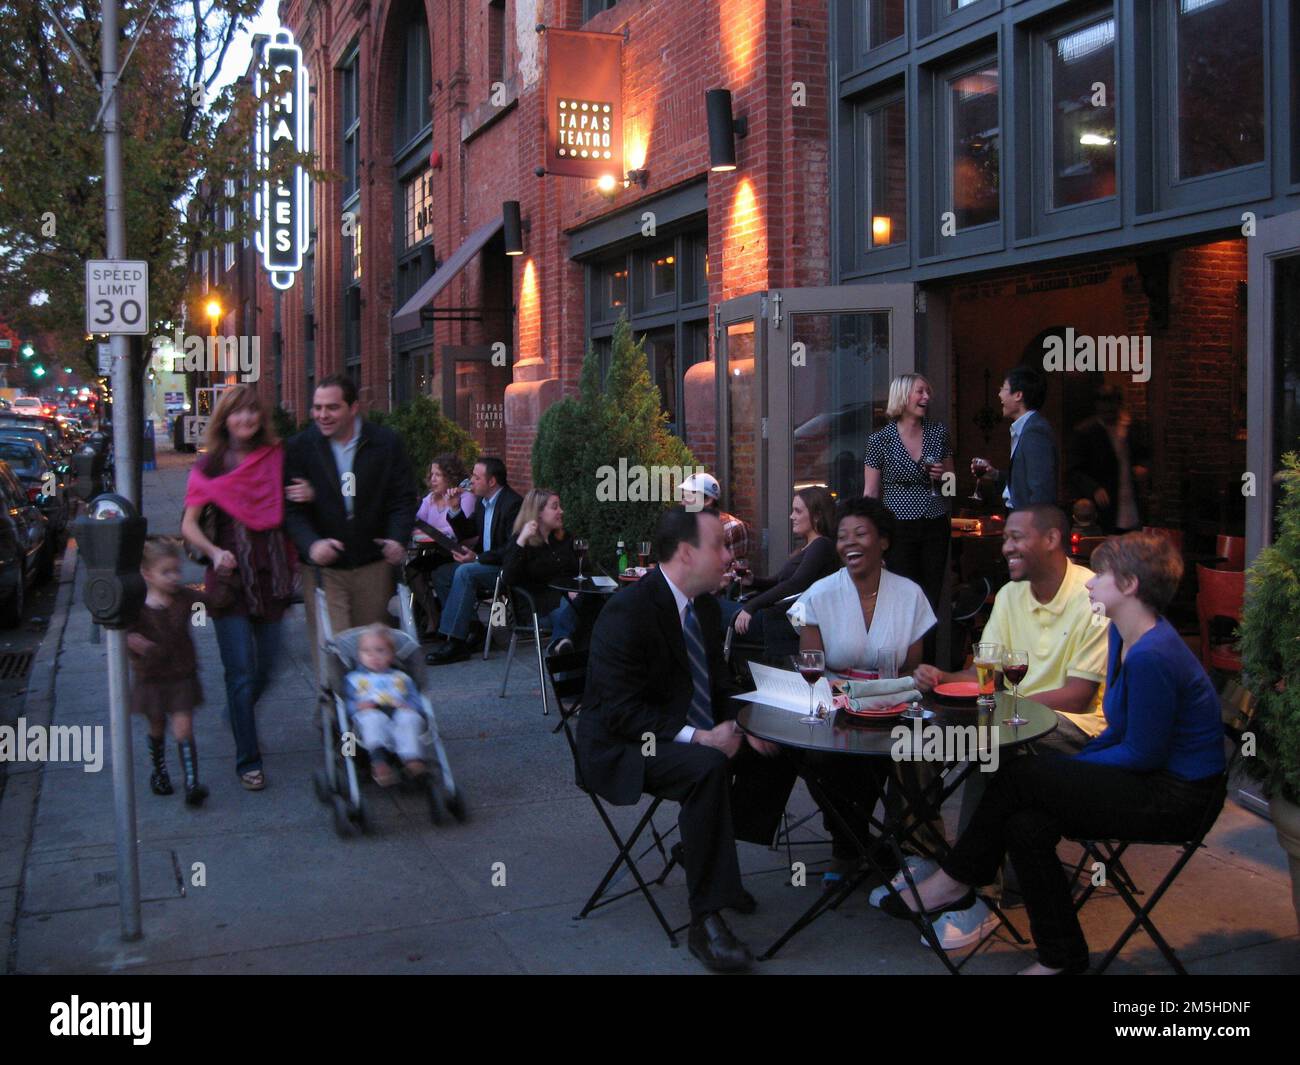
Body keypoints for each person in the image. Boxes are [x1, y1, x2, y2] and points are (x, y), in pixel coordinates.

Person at [881, 531, 1226, 974]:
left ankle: (954, 880)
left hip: (1180, 797)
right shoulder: (1124, 639)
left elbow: (1142, 753)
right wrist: (1065, 777)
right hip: (1146, 780)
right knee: (1026, 823)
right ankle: (1061, 960)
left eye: (1100, 575)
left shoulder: (1154, 654)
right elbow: (1119, 733)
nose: (1089, 583)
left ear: (1129, 585)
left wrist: (1066, 772)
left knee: (1025, 776)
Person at [576, 506, 792, 973]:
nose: (729, 558)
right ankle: (706, 920)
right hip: (625, 743)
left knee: (775, 745)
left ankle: (707, 852)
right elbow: (620, 711)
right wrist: (702, 736)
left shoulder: (707, 608)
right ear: (688, 553)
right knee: (707, 767)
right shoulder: (628, 610)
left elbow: (721, 685)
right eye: (720, 546)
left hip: (674, 728)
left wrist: (746, 724)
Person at [787, 496, 938, 887]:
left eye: (860, 533)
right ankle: (850, 844)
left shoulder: (910, 594)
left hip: (894, 707)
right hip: (838, 707)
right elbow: (811, 667)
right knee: (821, 762)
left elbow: (910, 667)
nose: (849, 542)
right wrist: (836, 687)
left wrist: (920, 676)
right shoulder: (819, 594)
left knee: (916, 752)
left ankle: (904, 847)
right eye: (841, 536)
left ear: (883, 541)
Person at [915, 504, 1108, 754]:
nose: (1006, 548)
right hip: (1014, 714)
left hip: (1074, 722)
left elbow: (1078, 697)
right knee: (921, 729)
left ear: (1051, 539)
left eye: (1016, 538)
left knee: (987, 739)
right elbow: (984, 678)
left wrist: (1003, 708)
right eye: (1005, 539)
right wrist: (941, 678)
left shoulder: (1093, 596)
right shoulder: (1008, 595)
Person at [183, 384, 299, 792]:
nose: (246, 419)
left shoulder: (276, 456)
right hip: (230, 580)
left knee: (267, 667)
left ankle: (238, 714)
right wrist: (213, 553)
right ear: (225, 418)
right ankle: (248, 760)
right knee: (240, 674)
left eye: (252, 412)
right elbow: (189, 525)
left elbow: (294, 503)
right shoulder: (210, 465)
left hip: (272, 575)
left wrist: (306, 493)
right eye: (238, 412)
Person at [283, 374, 418, 675]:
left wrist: (397, 538)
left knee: (376, 652)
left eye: (332, 407)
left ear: (353, 407)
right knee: (333, 654)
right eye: (317, 408)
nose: (322, 415)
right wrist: (311, 544)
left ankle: (374, 714)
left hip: (373, 562)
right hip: (325, 569)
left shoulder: (385, 443)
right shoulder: (301, 447)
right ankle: (335, 716)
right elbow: (291, 510)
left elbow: (403, 498)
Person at [126, 538, 210, 806]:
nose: (174, 577)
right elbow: (121, 629)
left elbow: (212, 602)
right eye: (166, 572)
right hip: (151, 677)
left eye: (177, 570)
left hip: (181, 674)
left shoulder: (184, 598)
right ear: (147, 573)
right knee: (157, 724)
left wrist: (226, 577)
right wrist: (133, 641)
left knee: (183, 727)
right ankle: (160, 772)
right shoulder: (136, 604)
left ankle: (191, 782)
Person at [864, 373, 954, 616]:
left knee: (930, 598)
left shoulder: (938, 433)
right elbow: (871, 492)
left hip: (934, 525)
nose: (926, 397)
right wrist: (873, 538)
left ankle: (928, 653)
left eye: (928, 392)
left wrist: (943, 474)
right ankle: (905, 654)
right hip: (898, 527)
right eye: (920, 391)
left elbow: (951, 486)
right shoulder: (880, 440)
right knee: (902, 596)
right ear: (903, 397)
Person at [426, 457, 523, 665]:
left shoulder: (512, 504)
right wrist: (454, 509)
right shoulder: (482, 502)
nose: (471, 481)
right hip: (485, 563)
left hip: (504, 568)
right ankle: (472, 628)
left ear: (492, 481)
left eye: (477, 477)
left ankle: (455, 642)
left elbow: (512, 548)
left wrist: (477, 557)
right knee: (441, 574)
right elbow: (469, 531)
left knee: (465, 572)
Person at [728, 486, 840, 659]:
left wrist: (752, 606)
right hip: (777, 616)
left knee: (706, 609)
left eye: (797, 511)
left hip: (784, 622)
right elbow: (780, 581)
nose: (791, 516)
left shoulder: (821, 545)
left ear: (817, 515)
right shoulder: (809, 547)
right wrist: (753, 581)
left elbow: (796, 584)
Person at [501, 488, 601, 656]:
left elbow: (585, 571)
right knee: (580, 618)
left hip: (570, 602)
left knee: (597, 606)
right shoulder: (521, 542)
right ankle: (565, 653)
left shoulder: (566, 538)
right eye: (555, 507)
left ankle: (562, 645)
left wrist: (576, 589)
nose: (561, 511)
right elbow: (507, 578)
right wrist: (522, 540)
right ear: (538, 513)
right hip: (538, 608)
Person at [345, 624, 427, 787]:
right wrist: (359, 706)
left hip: (398, 711)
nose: (373, 656)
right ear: (359, 655)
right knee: (372, 720)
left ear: (391, 654)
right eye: (367, 652)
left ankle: (412, 759)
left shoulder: (401, 677)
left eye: (380, 651)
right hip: (370, 711)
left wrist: (409, 706)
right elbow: (347, 703)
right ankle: (379, 762)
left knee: (410, 719)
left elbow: (415, 699)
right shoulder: (354, 678)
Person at [971, 365, 1059, 511]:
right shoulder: (1025, 428)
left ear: (1018, 395)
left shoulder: (1035, 431)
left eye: (1003, 389)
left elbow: (1041, 490)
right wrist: (994, 475)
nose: (999, 395)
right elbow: (1022, 483)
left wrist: (1032, 528)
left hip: (1028, 525)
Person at [408, 453, 477, 636]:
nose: (432, 479)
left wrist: (433, 532)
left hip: (459, 554)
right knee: (412, 569)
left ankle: (456, 622)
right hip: (437, 552)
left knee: (438, 573)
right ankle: (433, 616)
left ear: (451, 476)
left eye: (437, 475)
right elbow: (416, 523)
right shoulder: (430, 499)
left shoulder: (465, 498)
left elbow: (460, 532)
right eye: (431, 475)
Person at [1068, 384, 1150, 534]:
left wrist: (1141, 467)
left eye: (1112, 410)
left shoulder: (1130, 427)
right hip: (1105, 504)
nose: (1108, 415)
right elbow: (1074, 470)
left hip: (1130, 498)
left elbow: (1143, 453)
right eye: (1104, 410)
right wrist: (1094, 488)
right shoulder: (1086, 432)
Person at [678, 471, 754, 573]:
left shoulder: (732, 527)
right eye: (683, 497)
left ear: (708, 500)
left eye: (689, 496)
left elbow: (734, 573)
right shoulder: (684, 525)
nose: (683, 502)